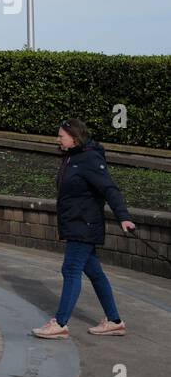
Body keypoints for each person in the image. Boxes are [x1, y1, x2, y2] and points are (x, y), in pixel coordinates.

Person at [32, 118, 135, 340]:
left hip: (85, 224)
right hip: (76, 222)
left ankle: (60, 323)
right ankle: (114, 321)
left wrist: (123, 217)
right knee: (94, 272)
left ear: (74, 137)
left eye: (61, 136)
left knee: (70, 269)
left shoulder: (89, 159)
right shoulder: (72, 158)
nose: (57, 139)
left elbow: (110, 188)